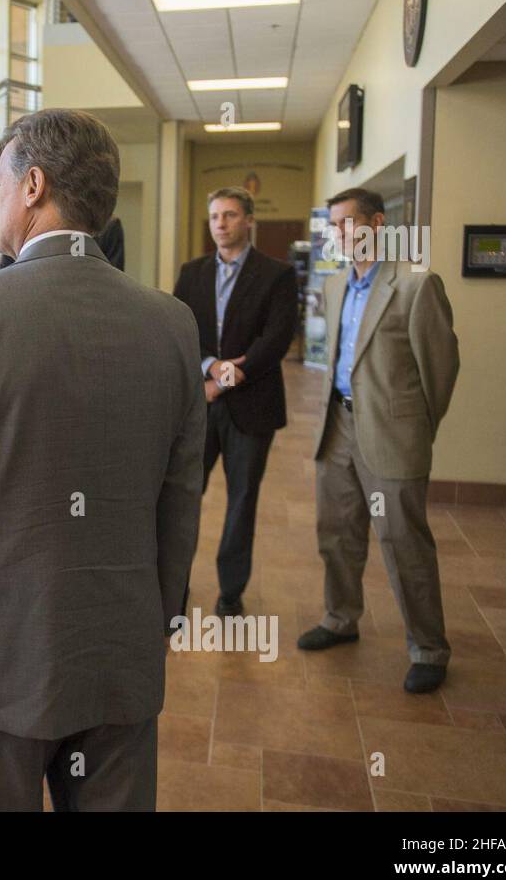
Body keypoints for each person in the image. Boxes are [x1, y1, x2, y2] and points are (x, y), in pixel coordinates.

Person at [0, 109, 204, 811]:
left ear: (32, 186)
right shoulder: (173, 324)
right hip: (121, 651)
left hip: (4, 658)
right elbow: (181, 500)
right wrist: (161, 624)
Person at [297, 187, 459, 694]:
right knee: (336, 532)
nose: (339, 235)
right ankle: (341, 619)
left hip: (391, 434)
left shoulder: (415, 285)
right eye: (334, 227)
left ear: (377, 224)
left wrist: (415, 428)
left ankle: (428, 648)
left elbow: (441, 371)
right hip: (338, 427)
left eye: (348, 224)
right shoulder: (339, 284)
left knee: (403, 543)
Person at [173, 187, 298, 616]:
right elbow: (183, 330)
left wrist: (224, 380)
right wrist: (211, 366)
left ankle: (231, 592)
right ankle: (175, 584)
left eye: (229, 215)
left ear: (249, 221)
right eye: (214, 217)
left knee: (242, 501)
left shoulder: (277, 274)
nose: (220, 224)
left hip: (252, 405)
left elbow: (277, 338)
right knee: (183, 496)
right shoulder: (191, 273)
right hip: (200, 406)